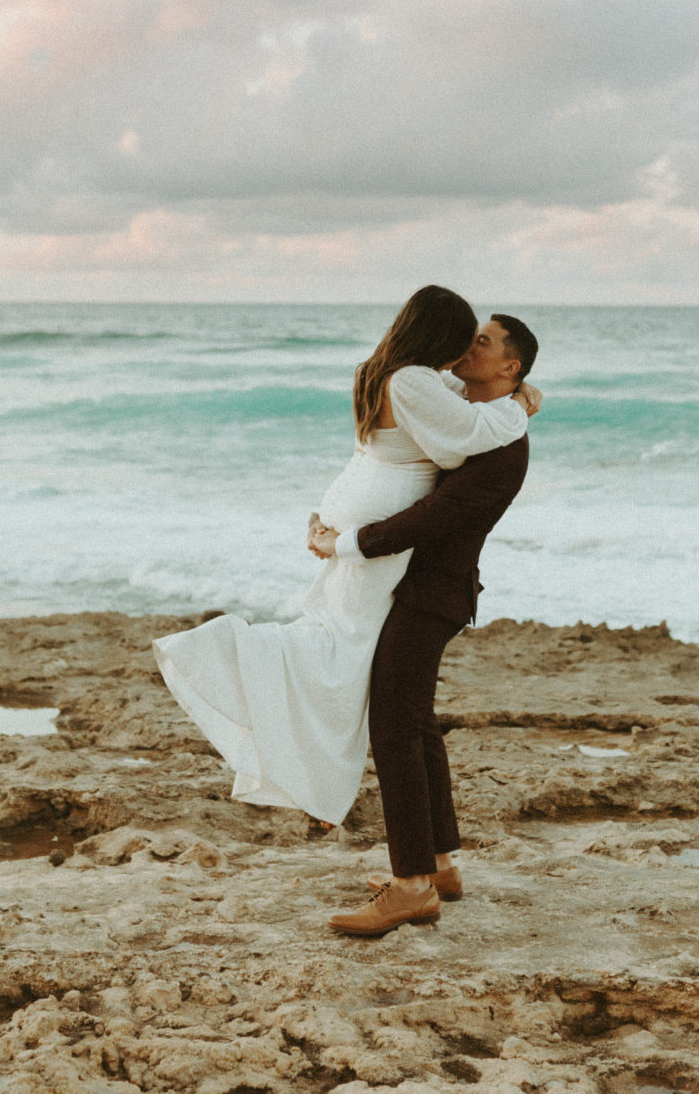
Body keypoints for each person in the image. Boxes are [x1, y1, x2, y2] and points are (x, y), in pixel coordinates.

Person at [153, 288, 540, 831]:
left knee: (351, 657)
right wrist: (517, 404)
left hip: (365, 528)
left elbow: (453, 410)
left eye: (481, 341)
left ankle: (431, 857)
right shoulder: (415, 381)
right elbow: (462, 438)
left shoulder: (384, 372)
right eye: (465, 336)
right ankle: (227, 652)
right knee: (342, 656)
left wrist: (512, 393)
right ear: (439, 335)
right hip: (370, 538)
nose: (467, 347)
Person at [311, 314, 538, 936]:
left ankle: (410, 887)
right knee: (416, 723)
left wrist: (345, 544)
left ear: (510, 366)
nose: (468, 344)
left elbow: (428, 517)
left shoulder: (502, 448)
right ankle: (440, 865)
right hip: (417, 589)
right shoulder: (472, 417)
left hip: (430, 595)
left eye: (482, 341)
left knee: (393, 731)